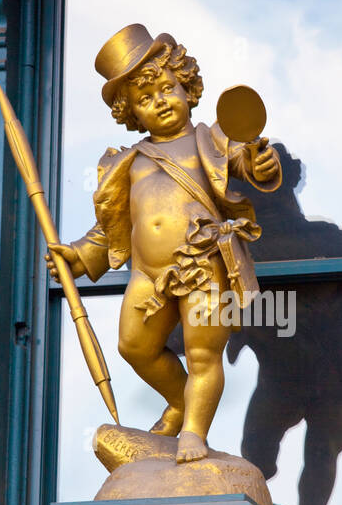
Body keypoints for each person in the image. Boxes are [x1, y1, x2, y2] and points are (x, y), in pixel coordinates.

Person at [46, 23, 281, 462]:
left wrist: (260, 162)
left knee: (203, 354)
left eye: (167, 88)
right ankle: (179, 400)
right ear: (132, 113)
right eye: (145, 99)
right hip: (147, 275)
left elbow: (249, 162)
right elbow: (113, 226)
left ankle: (194, 431)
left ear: (187, 86)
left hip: (204, 263)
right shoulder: (128, 163)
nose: (160, 101)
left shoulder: (210, 140)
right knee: (134, 346)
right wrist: (79, 254)